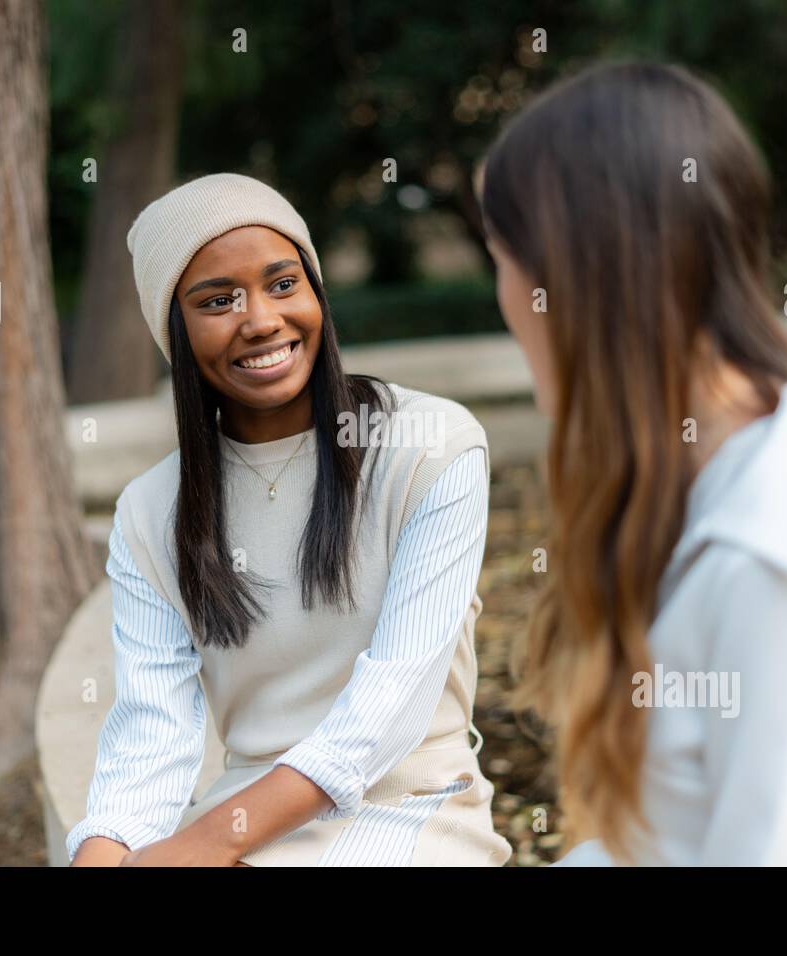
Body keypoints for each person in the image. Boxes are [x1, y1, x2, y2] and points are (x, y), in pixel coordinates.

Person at [478, 62, 787, 865]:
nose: (500, 291)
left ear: (577, 278)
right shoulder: (721, 492)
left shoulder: (779, 564)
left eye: (501, 256)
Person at [68, 173, 511, 866]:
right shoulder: (151, 513)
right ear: (174, 329)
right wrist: (101, 852)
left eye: (282, 284)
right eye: (219, 300)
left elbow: (388, 708)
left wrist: (207, 844)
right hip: (241, 822)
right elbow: (152, 736)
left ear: (315, 293)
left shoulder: (430, 446)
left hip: (410, 807)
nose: (262, 320)